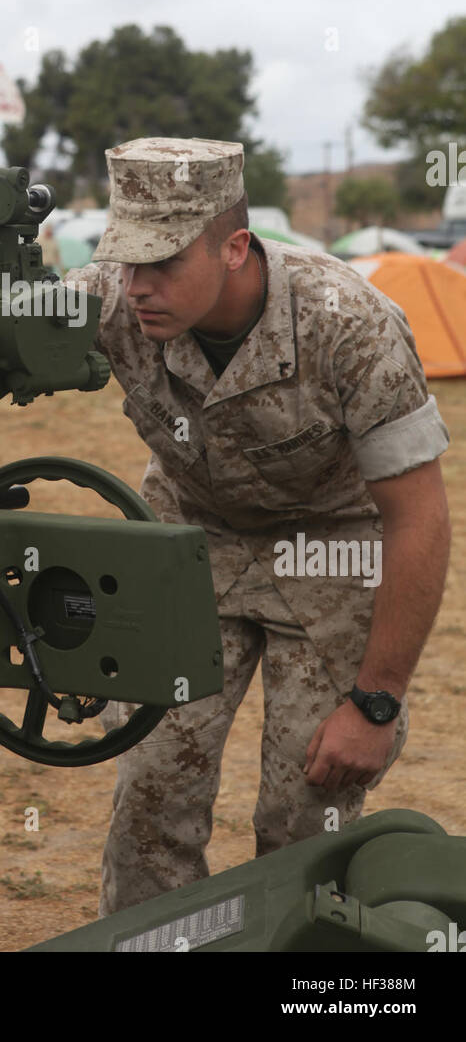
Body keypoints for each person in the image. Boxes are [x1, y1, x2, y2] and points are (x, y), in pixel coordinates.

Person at [63, 136, 451, 918]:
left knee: (309, 807)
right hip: (193, 536)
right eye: (125, 260)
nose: (136, 287)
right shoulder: (113, 298)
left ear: (234, 247)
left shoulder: (349, 325)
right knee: (151, 792)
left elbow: (420, 518)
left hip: (330, 545)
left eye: (163, 263)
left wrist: (375, 704)